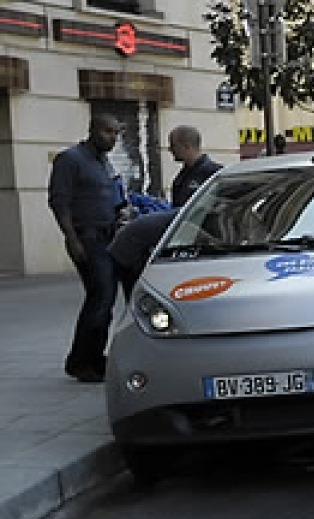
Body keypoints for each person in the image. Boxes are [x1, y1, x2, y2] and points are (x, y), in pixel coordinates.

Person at [48, 114, 123, 382]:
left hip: (108, 236)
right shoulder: (70, 160)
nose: (112, 138)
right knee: (100, 297)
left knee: (104, 299)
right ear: (92, 130)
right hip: (87, 238)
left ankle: (93, 357)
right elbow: (59, 202)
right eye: (107, 132)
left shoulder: (103, 162)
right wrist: (71, 239)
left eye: (116, 133)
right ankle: (80, 361)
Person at [109, 125, 223, 298]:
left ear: (186, 146)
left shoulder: (214, 174)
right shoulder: (183, 175)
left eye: (173, 145)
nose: (169, 150)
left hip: (204, 245)